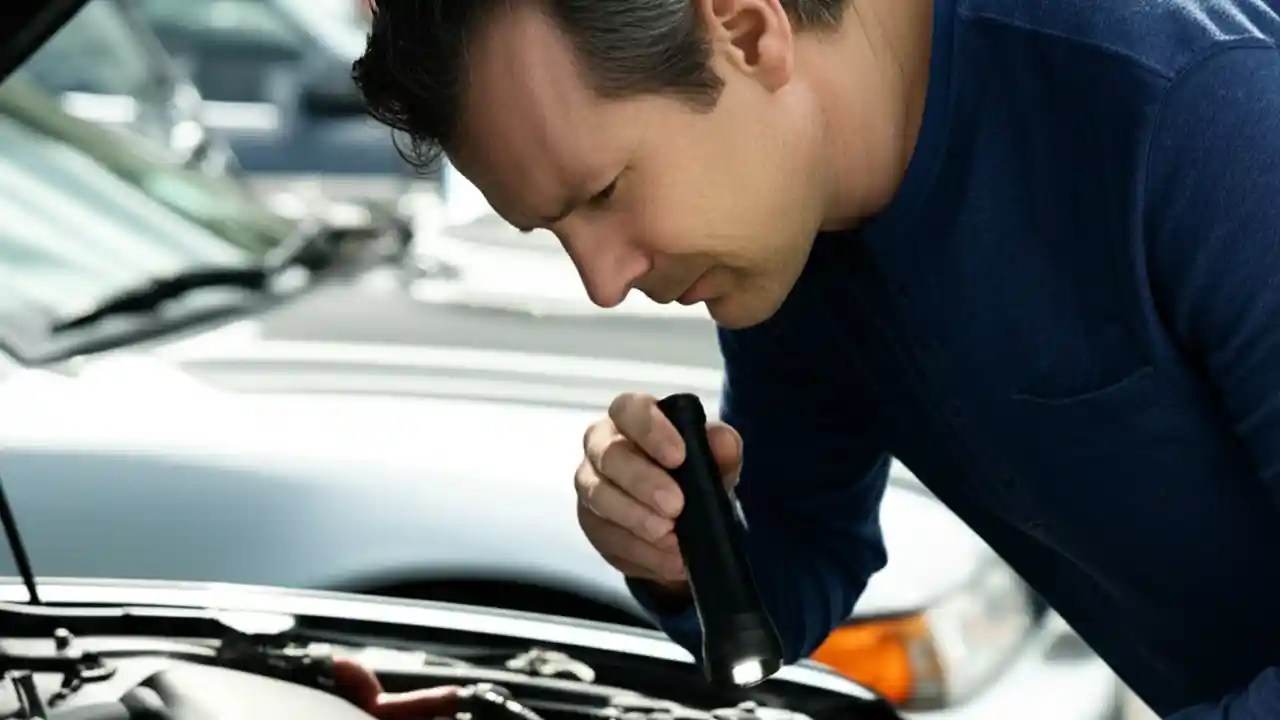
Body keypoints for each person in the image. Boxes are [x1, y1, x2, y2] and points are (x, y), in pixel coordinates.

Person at [350, 0, 1280, 717]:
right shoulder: (789, 231)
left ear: (748, 32)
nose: (601, 279)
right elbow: (796, 574)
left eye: (602, 192)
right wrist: (686, 556)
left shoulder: (1195, 111)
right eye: (554, 228)